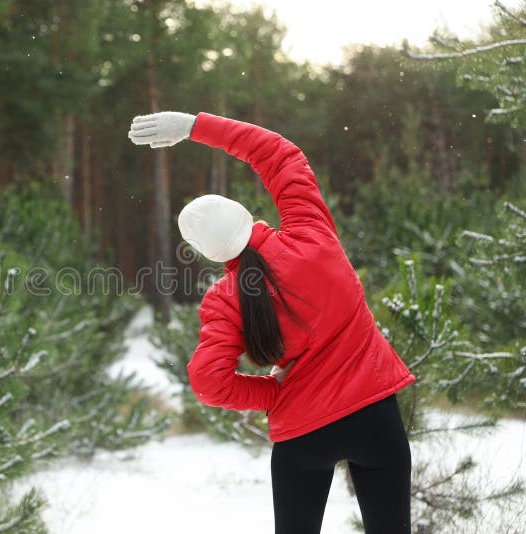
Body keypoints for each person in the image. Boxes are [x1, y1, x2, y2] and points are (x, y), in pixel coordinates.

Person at [128, 111, 417, 534]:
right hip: (376, 417)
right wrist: (193, 126)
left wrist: (275, 394)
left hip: (303, 435)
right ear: (245, 214)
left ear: (208, 253)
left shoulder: (225, 298)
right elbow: (278, 154)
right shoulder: (312, 233)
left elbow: (209, 382)